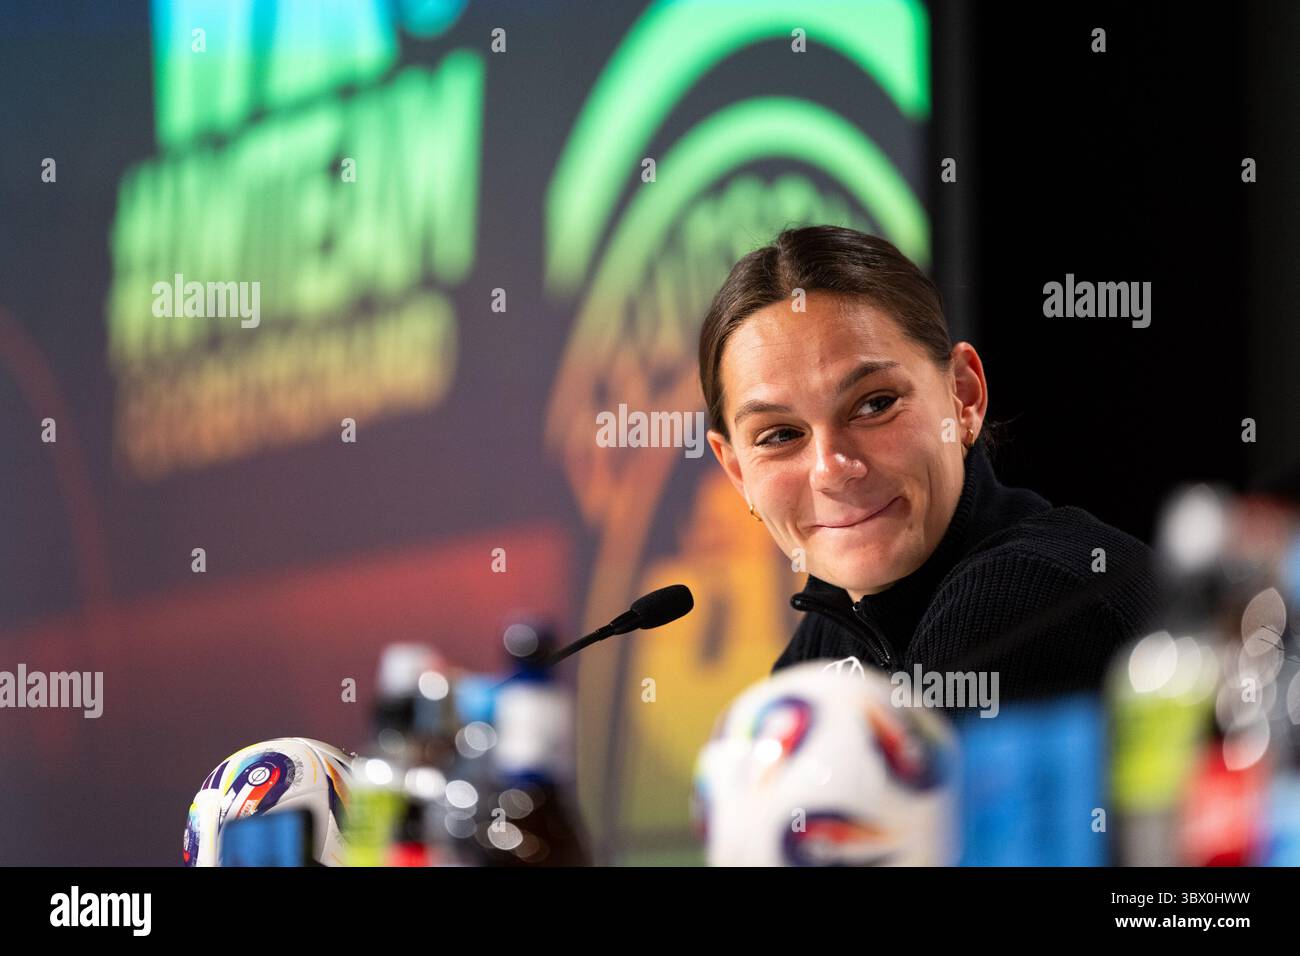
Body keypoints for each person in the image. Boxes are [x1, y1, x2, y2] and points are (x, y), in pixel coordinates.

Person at [699, 224, 1162, 702]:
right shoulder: (828, 635)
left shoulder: (1026, 591)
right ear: (737, 473)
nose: (832, 468)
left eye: (874, 404)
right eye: (780, 436)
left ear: (964, 394)